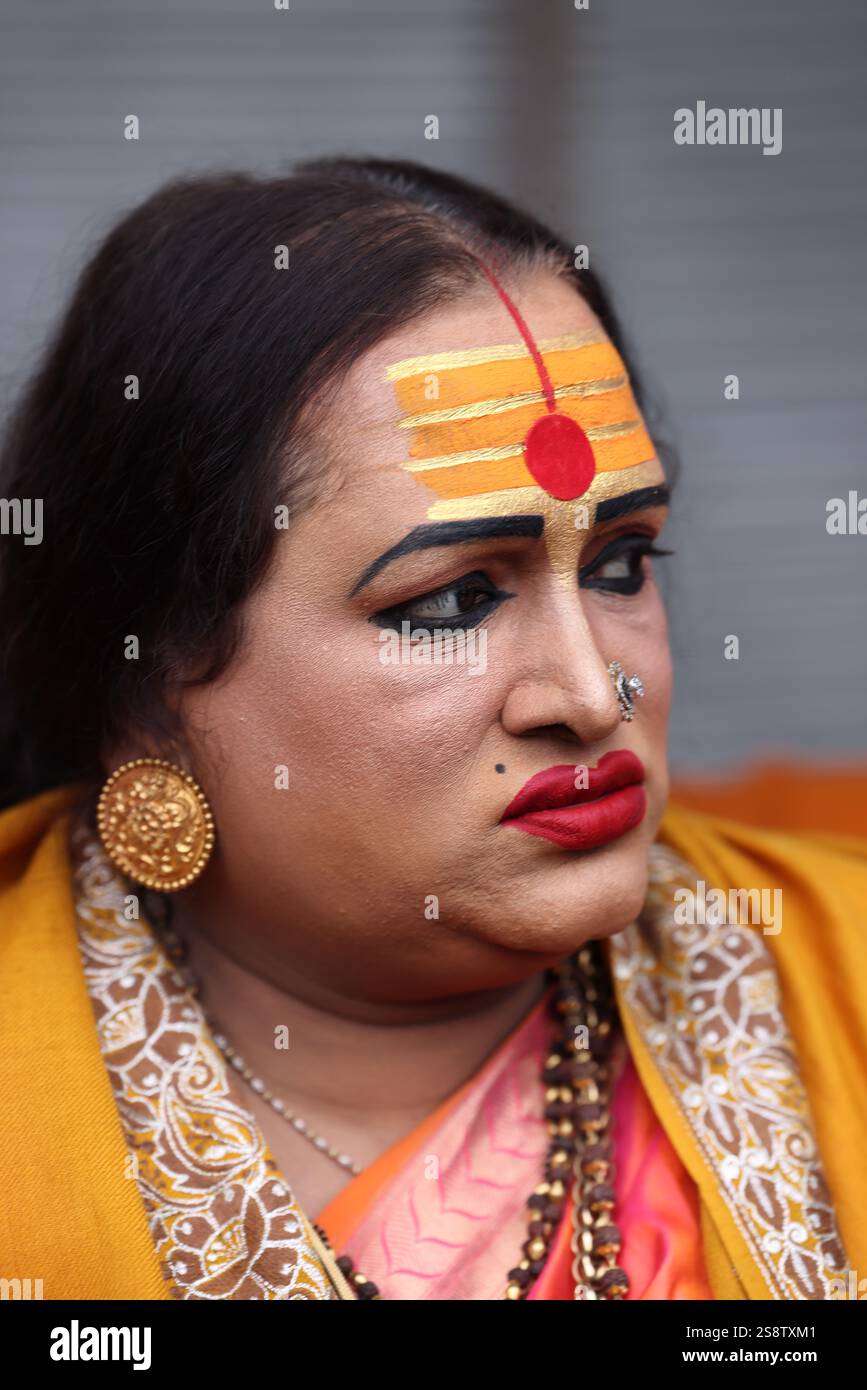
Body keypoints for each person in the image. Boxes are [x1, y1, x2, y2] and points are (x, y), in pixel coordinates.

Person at [1, 158, 865, 1302]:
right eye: (454, 599)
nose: (594, 693)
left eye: (619, 563)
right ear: (147, 690)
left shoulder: (839, 978)